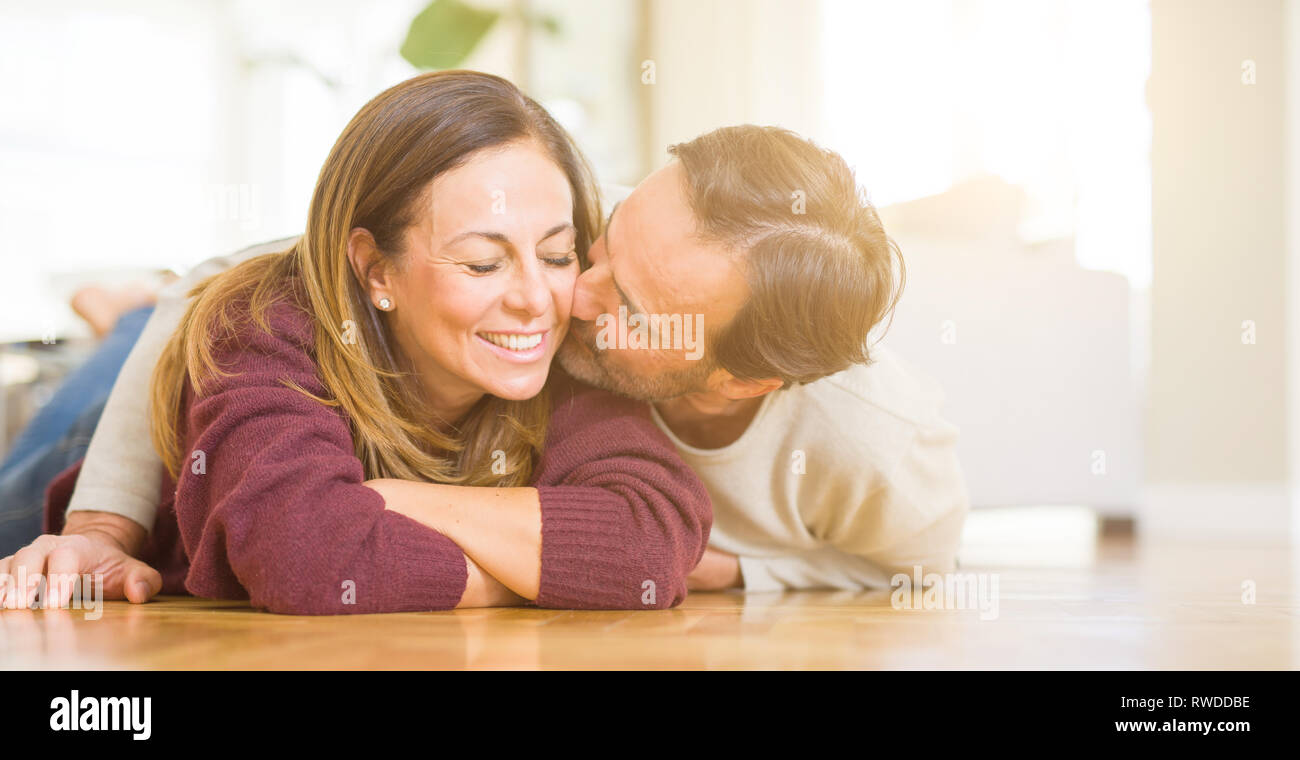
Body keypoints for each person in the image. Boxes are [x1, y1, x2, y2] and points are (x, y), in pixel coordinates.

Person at [4, 113, 968, 606]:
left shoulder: (874, 446)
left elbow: (915, 569)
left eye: (625, 303)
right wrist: (105, 527)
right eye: (595, 244)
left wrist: (738, 573)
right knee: (35, 507)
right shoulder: (600, 248)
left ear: (739, 379)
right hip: (194, 351)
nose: (567, 296)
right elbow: (228, 289)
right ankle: (119, 310)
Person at [0, 70, 711, 614]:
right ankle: (127, 313)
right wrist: (541, 572)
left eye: (557, 254)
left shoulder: (560, 332)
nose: (536, 300)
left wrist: (386, 500)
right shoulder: (259, 325)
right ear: (375, 269)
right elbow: (308, 555)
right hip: (128, 434)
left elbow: (648, 549)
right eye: (483, 263)